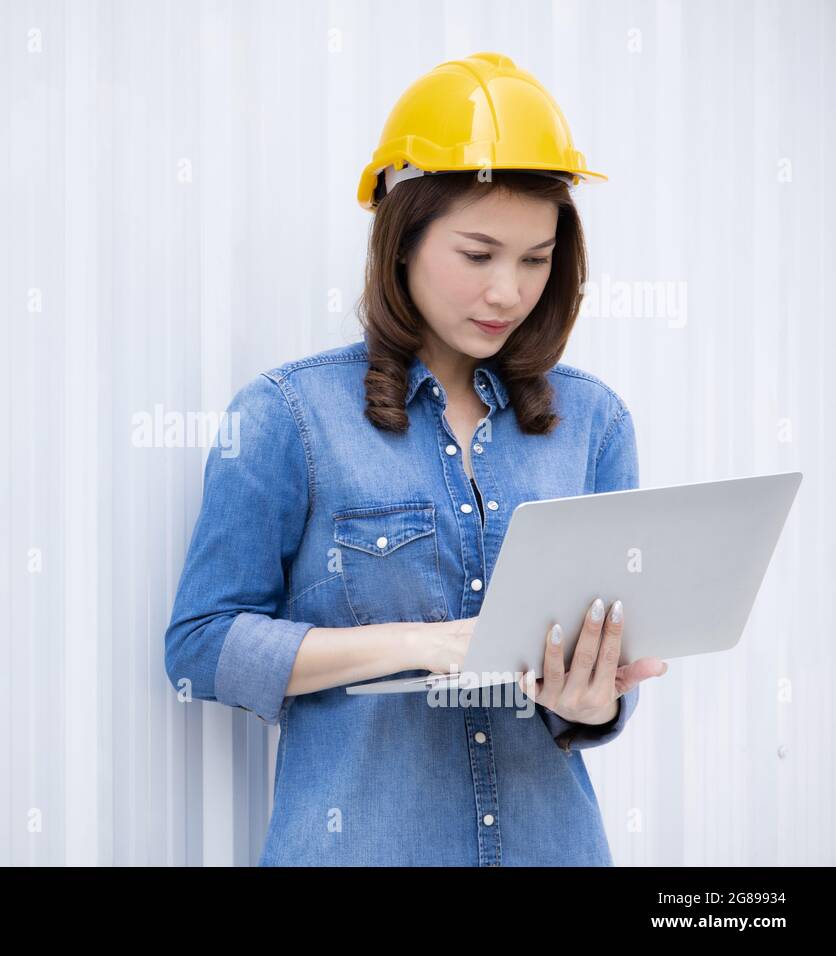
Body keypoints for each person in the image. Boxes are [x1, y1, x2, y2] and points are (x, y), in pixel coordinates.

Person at [163, 53, 668, 866]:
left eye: (535, 259)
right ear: (402, 239)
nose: (508, 291)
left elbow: (601, 687)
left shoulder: (594, 423)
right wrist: (419, 644)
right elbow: (200, 646)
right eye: (478, 254)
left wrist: (594, 702)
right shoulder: (288, 416)